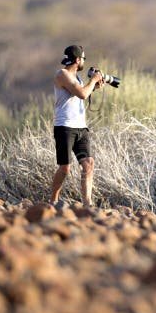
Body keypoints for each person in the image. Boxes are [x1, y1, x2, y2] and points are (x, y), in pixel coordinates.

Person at [50, 44, 104, 207]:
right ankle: (53, 199)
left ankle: (87, 203)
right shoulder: (62, 74)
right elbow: (81, 94)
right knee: (65, 168)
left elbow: (81, 92)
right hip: (65, 126)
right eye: (83, 59)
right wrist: (93, 80)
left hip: (81, 126)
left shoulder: (78, 78)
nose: (83, 63)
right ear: (78, 59)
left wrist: (93, 87)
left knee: (88, 163)